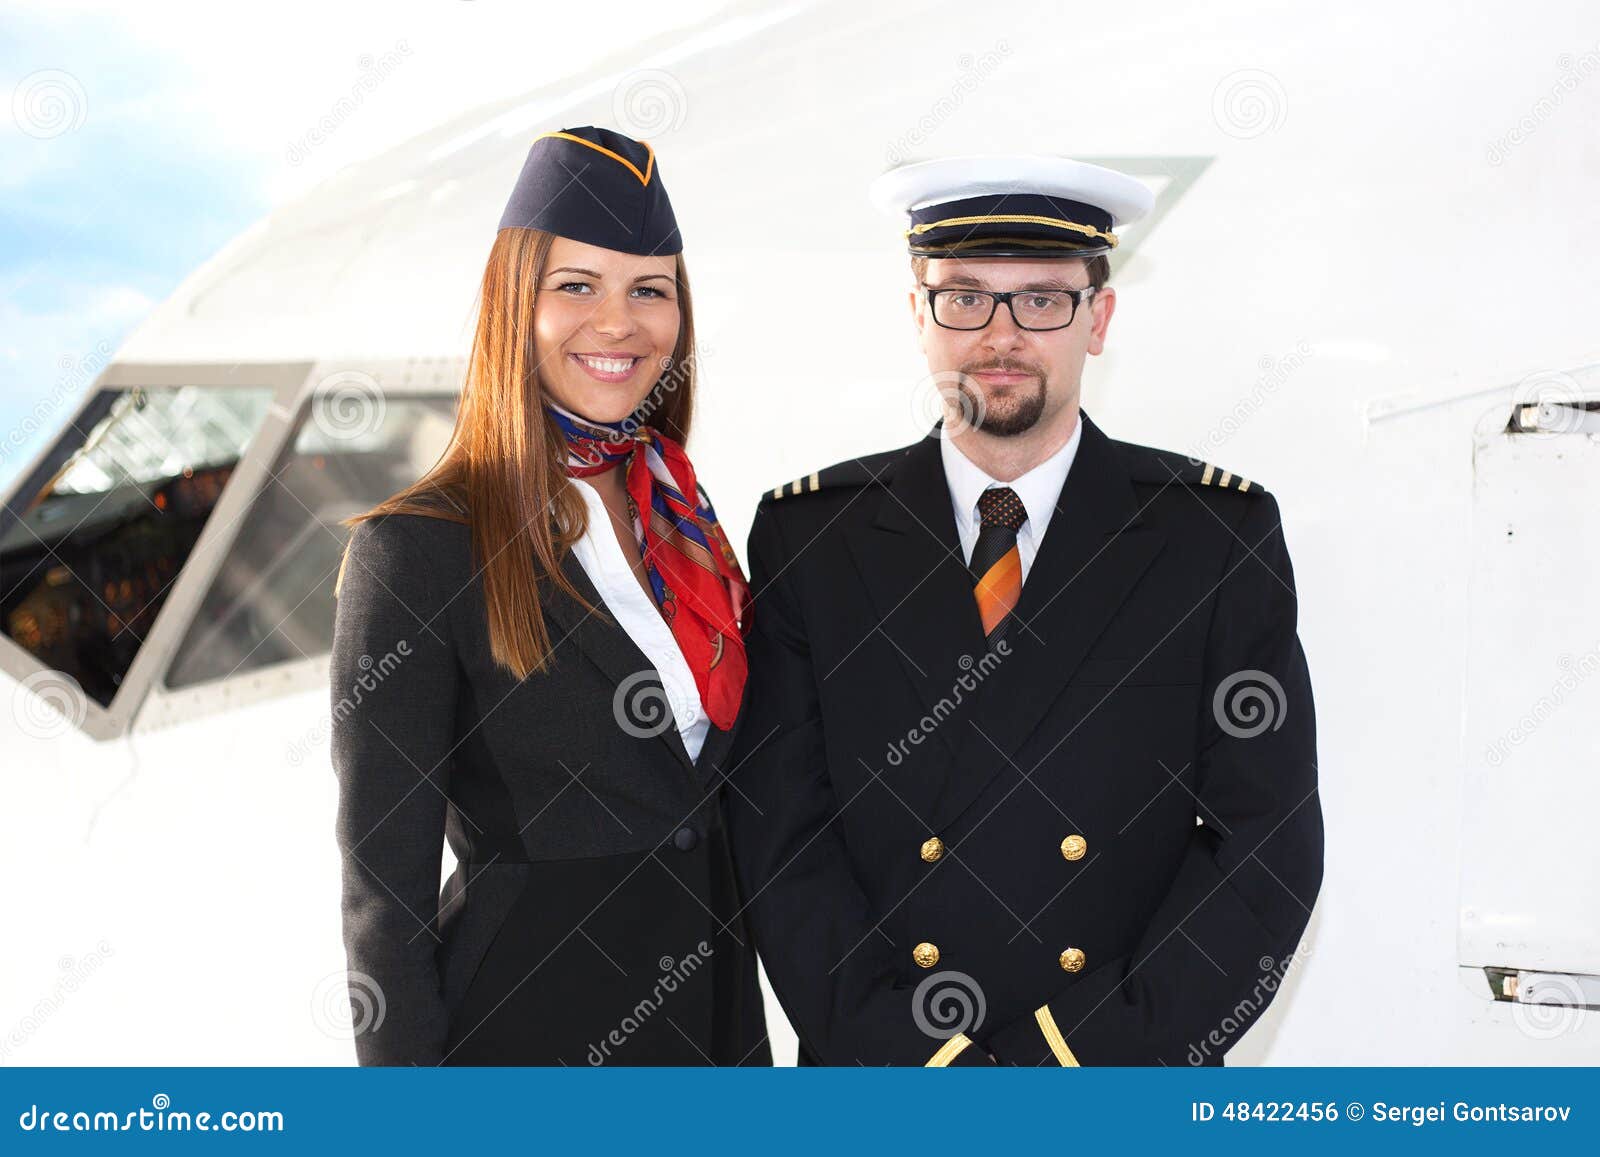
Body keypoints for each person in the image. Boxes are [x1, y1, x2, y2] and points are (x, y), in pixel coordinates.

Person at [726, 154, 1324, 1066]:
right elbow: (780, 838)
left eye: (1042, 299)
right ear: (917, 316)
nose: (1000, 336)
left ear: (1098, 317)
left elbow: (1265, 841)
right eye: (964, 297)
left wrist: (1074, 1060)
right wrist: (921, 1060)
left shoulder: (1212, 537)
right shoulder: (811, 538)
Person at [330, 126, 769, 1066]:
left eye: (649, 290)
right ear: (513, 305)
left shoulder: (686, 522)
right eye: (577, 285)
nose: (619, 324)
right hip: (525, 1045)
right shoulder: (416, 549)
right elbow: (383, 898)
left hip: (717, 1038)